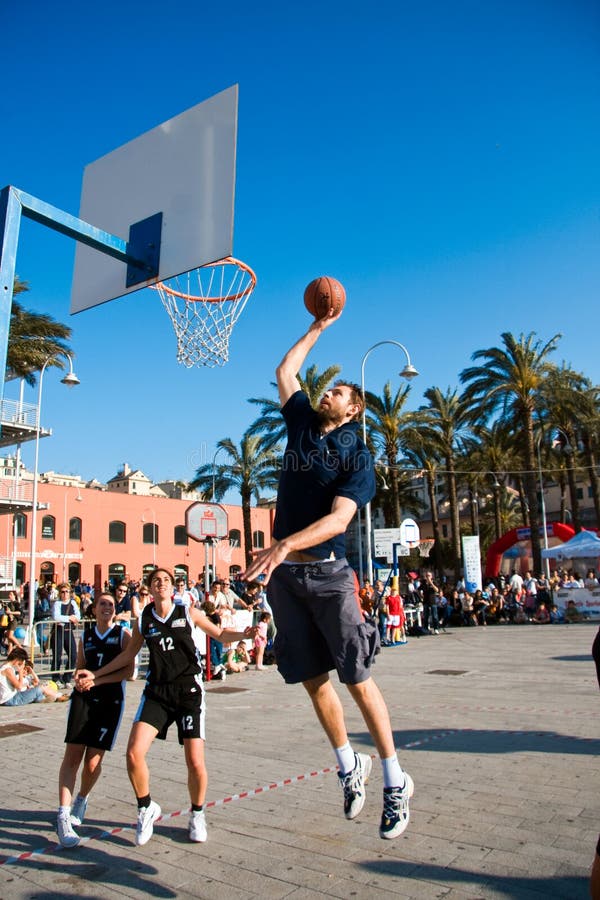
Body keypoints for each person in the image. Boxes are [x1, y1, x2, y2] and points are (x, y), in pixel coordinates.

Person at [242, 308, 414, 841]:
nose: (327, 393)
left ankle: (394, 779)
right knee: (312, 680)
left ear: (354, 406)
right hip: (285, 577)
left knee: (357, 679)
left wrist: (285, 543)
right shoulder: (299, 422)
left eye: (337, 391)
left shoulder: (357, 455)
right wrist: (318, 327)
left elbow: (340, 519)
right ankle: (349, 766)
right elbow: (285, 370)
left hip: (329, 574)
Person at [76, 567, 256, 846]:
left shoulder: (188, 612)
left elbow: (219, 634)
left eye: (166, 580)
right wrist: (96, 675)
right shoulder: (144, 619)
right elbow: (128, 655)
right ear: (149, 588)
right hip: (157, 691)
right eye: (156, 580)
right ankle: (146, 807)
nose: (161, 584)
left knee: (195, 761)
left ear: (173, 587)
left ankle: (197, 814)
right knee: (134, 754)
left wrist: (243, 635)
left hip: (188, 691)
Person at [56, 592, 133, 848]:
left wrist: (96, 679)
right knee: (73, 755)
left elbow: (129, 671)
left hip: (110, 701)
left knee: (92, 763)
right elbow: (80, 665)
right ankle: (63, 815)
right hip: (84, 699)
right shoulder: (86, 636)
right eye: (102, 603)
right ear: (94, 608)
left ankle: (82, 797)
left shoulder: (123, 635)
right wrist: (79, 678)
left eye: (111, 604)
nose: (107, 608)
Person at [0, 648, 66, 706]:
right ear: (18, 659)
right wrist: (20, 671)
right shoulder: (8, 669)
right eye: (21, 662)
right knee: (40, 688)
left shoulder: (4, 666)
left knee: (38, 692)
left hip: (10, 698)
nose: (21, 664)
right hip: (11, 699)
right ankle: (59, 696)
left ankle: (46, 699)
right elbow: (19, 687)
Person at [51, 584, 81, 686]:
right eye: (63, 592)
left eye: (67, 591)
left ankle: (66, 678)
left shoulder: (72, 603)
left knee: (73, 655)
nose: (65, 594)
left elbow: (78, 616)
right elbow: (56, 617)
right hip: (59, 631)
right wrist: (69, 618)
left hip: (69, 631)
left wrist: (71, 618)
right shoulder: (57, 603)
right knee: (57, 656)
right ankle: (55, 678)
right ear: (60, 593)